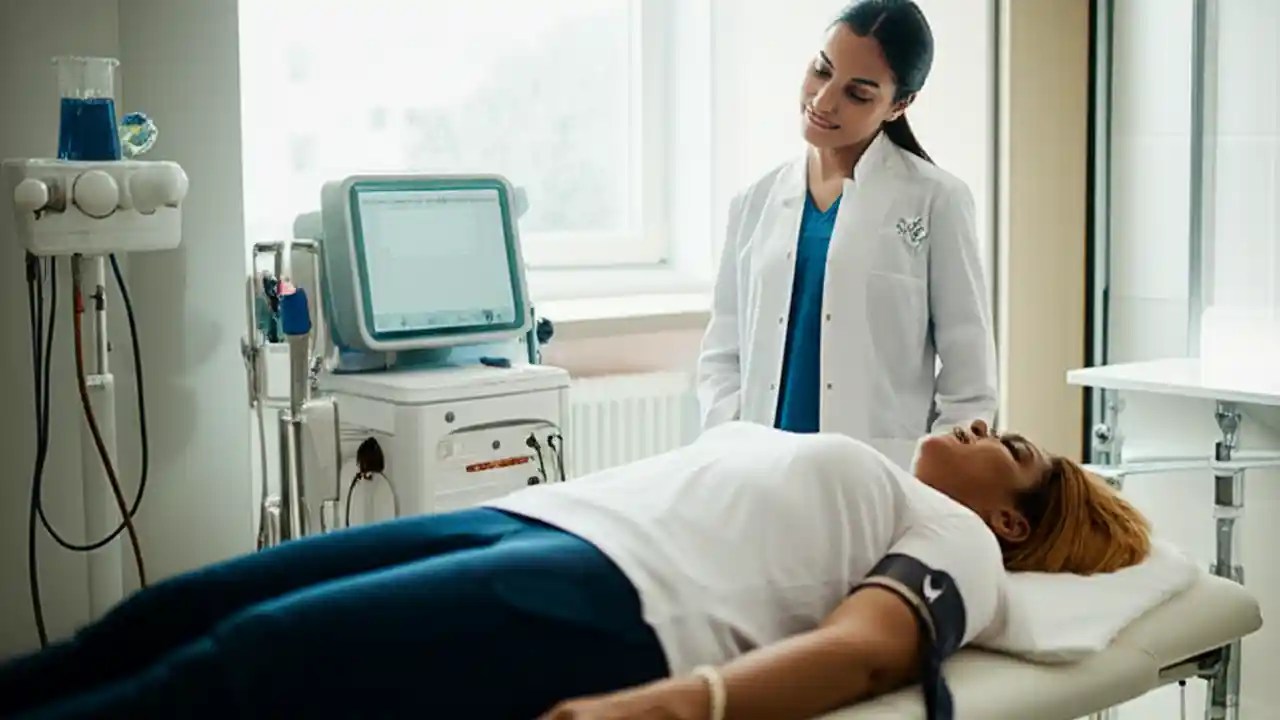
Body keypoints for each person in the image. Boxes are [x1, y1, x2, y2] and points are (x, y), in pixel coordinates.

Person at [0, 419, 1149, 720]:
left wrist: (671, 708)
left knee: (236, 675)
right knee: (165, 613)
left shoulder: (953, 546)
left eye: (1009, 447)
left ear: (1007, 520)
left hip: (612, 603)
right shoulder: (869, 467)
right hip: (526, 522)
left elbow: (866, 651)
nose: (984, 423)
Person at [697, 0, 997, 470]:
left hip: (878, 476)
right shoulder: (753, 202)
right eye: (822, 70)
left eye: (857, 94)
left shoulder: (937, 200)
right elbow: (722, 354)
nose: (823, 101)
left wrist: (931, 483)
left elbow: (970, 381)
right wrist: (727, 441)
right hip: (757, 469)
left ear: (899, 104)